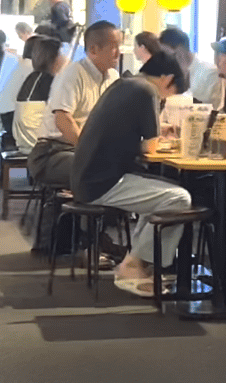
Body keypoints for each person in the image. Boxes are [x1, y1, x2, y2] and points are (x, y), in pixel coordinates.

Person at [72, 51, 191, 297]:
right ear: (167, 80)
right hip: (103, 182)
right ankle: (133, 265)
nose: (166, 100)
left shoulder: (124, 84)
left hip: (88, 176)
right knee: (178, 199)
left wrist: (159, 130)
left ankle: (137, 261)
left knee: (163, 193)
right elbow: (150, 146)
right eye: (170, 94)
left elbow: (125, 137)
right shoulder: (146, 91)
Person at [27, 22, 123, 251]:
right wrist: (91, 151)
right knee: (97, 171)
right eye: (113, 47)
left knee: (127, 170)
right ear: (93, 50)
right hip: (51, 153)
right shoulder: (72, 74)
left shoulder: (112, 77)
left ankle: (99, 237)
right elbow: (63, 120)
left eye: (120, 46)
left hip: (81, 152)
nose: (119, 53)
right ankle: (90, 239)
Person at [10, 36, 64, 153]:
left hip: (24, 142)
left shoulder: (34, 77)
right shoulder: (49, 80)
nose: (63, 58)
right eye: (60, 53)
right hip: (38, 144)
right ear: (52, 57)